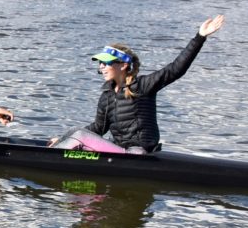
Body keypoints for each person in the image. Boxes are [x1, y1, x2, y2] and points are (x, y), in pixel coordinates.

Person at [51, 15, 225, 154]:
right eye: (100, 63)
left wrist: (200, 37)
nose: (101, 66)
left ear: (123, 65)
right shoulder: (107, 96)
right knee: (76, 133)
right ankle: (55, 151)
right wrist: (63, 139)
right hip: (117, 150)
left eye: (106, 62)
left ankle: (49, 157)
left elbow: (176, 69)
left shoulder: (143, 86)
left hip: (138, 152)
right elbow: (98, 128)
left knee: (79, 134)